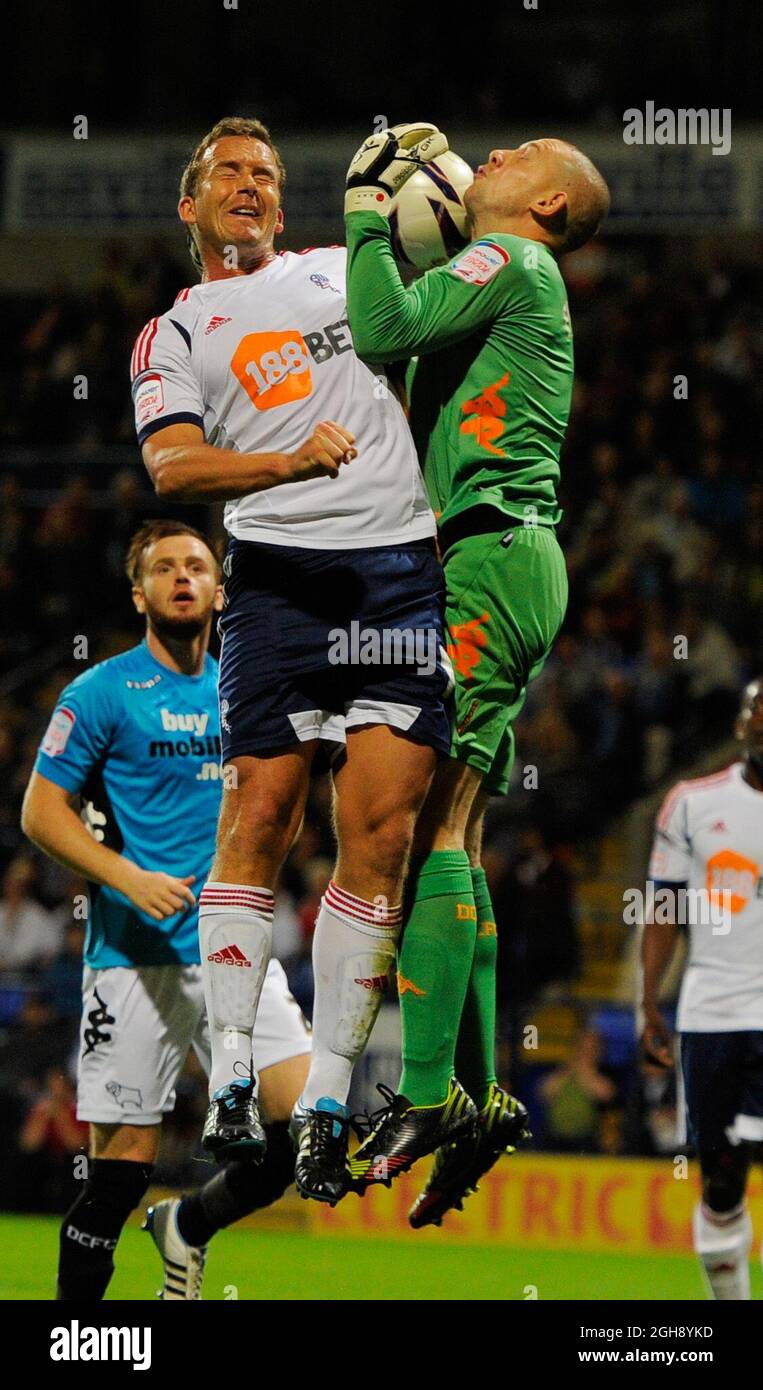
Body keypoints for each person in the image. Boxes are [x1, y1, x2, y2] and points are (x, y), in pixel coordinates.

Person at [133, 117, 454, 1204]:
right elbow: (172, 468)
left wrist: (440, 175)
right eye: (228, 170)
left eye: (266, 173)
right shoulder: (174, 333)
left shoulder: (337, 272)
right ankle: (230, 1075)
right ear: (191, 204)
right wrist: (285, 458)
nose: (251, 184)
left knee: (383, 836)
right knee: (258, 816)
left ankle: (321, 1103)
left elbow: (445, 282)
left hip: (399, 575)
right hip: (275, 583)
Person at [342, 125, 609, 1221]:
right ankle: (486, 1096)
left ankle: (425, 1093)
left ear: (547, 206)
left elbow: (377, 327)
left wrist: (365, 213)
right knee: (461, 829)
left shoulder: (518, 260)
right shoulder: (500, 277)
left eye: (526, 151)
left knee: (428, 835)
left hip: (487, 556)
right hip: (508, 556)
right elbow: (404, 360)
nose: (497, 150)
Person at [21, 520, 312, 1300]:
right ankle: (78, 1345)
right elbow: (41, 813)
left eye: (197, 566)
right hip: (131, 961)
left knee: (315, 1136)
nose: (183, 577)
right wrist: (124, 877)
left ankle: (189, 1225)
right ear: (139, 591)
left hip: (232, 954)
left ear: (220, 590)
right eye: (163, 568)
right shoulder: (101, 691)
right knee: (117, 1179)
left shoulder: (242, 693)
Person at [641, 678, 763, 1301]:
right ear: (743, 725)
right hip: (715, 1015)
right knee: (721, 1179)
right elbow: (662, 907)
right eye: (758, 712)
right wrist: (648, 1003)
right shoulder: (691, 802)